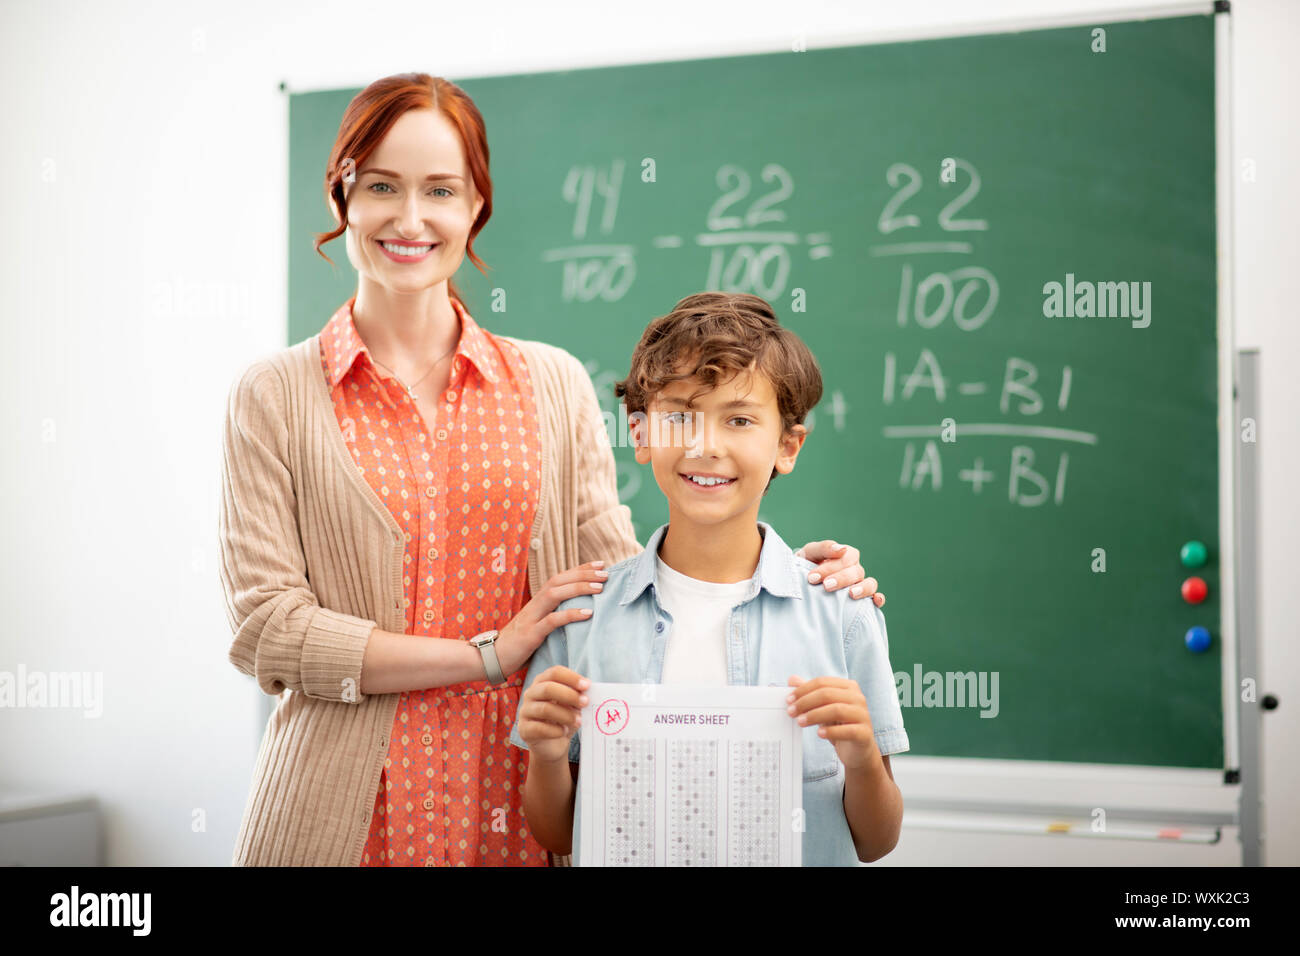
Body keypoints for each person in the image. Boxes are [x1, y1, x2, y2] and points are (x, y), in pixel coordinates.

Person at [218, 73, 887, 867]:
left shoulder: (552, 382)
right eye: (380, 187)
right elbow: (268, 631)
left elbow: (622, 581)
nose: (410, 217)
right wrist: (488, 656)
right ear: (342, 199)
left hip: (523, 807)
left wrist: (786, 571)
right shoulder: (275, 396)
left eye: (441, 189)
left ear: (476, 208)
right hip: (342, 817)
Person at [510, 292, 909, 866]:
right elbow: (557, 836)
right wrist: (547, 755)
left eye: (740, 419)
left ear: (788, 446)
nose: (705, 445)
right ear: (640, 434)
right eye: (679, 416)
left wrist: (862, 756)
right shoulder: (582, 620)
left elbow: (878, 841)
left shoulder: (841, 612)